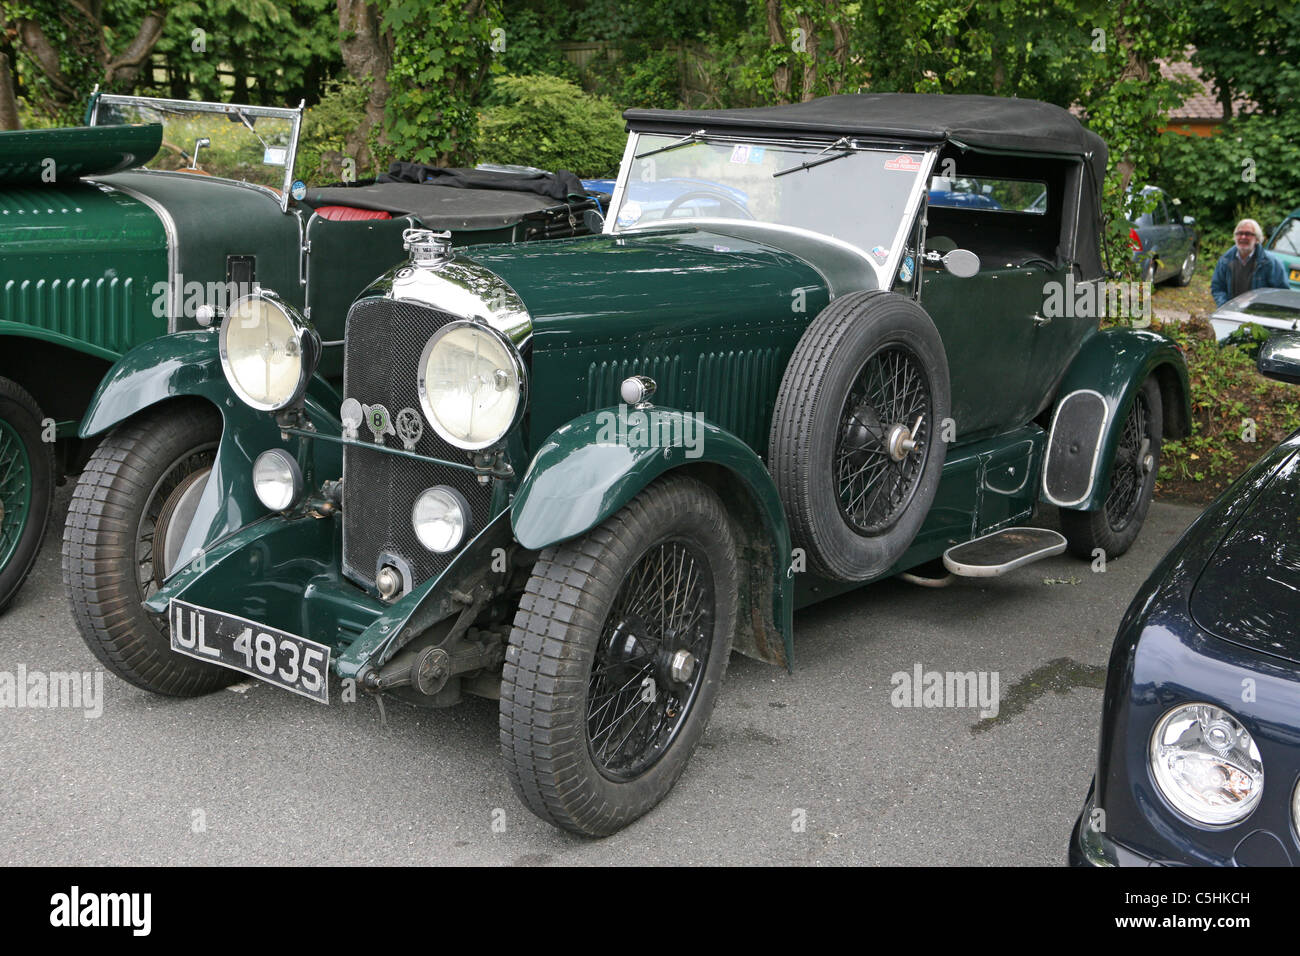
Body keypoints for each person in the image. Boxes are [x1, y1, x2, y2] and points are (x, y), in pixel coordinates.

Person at [1210, 218, 1288, 306]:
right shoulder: (1225, 260)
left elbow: (1282, 292)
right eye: (1239, 233)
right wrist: (1225, 306)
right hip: (1232, 313)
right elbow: (1217, 288)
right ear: (1235, 237)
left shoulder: (1271, 263)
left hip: (1259, 314)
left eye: (1248, 234)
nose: (1243, 237)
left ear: (1257, 239)